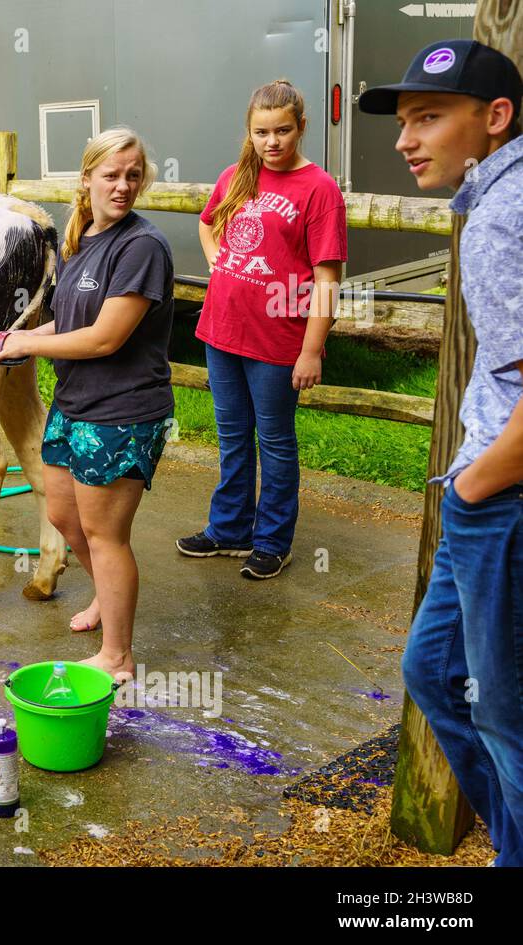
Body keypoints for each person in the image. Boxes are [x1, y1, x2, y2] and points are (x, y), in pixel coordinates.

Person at [360, 38, 523, 866]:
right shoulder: (494, 200)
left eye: (428, 117)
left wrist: (473, 489)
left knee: (504, 712)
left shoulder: (503, 217)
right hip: (486, 495)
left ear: (494, 119)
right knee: (434, 675)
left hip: (502, 501)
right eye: (404, 121)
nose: (404, 139)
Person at [0, 127, 174, 681]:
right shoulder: (82, 237)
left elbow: (105, 338)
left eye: (133, 175)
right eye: (111, 175)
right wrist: (16, 335)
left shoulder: (143, 247)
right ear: (86, 179)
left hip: (123, 412)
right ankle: (104, 602)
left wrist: (28, 344)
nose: (124, 186)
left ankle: (118, 655)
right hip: (75, 403)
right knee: (65, 518)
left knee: (107, 535)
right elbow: (74, 321)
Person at [175, 80, 346, 580]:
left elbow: (328, 279)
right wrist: (217, 261)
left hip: (277, 341)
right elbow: (208, 224)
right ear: (249, 132)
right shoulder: (236, 176)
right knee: (231, 436)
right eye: (261, 132)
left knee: (273, 439)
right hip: (221, 330)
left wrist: (312, 349)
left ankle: (272, 540)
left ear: (301, 128)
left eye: (282, 131)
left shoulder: (320, 189)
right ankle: (229, 529)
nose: (272, 142)